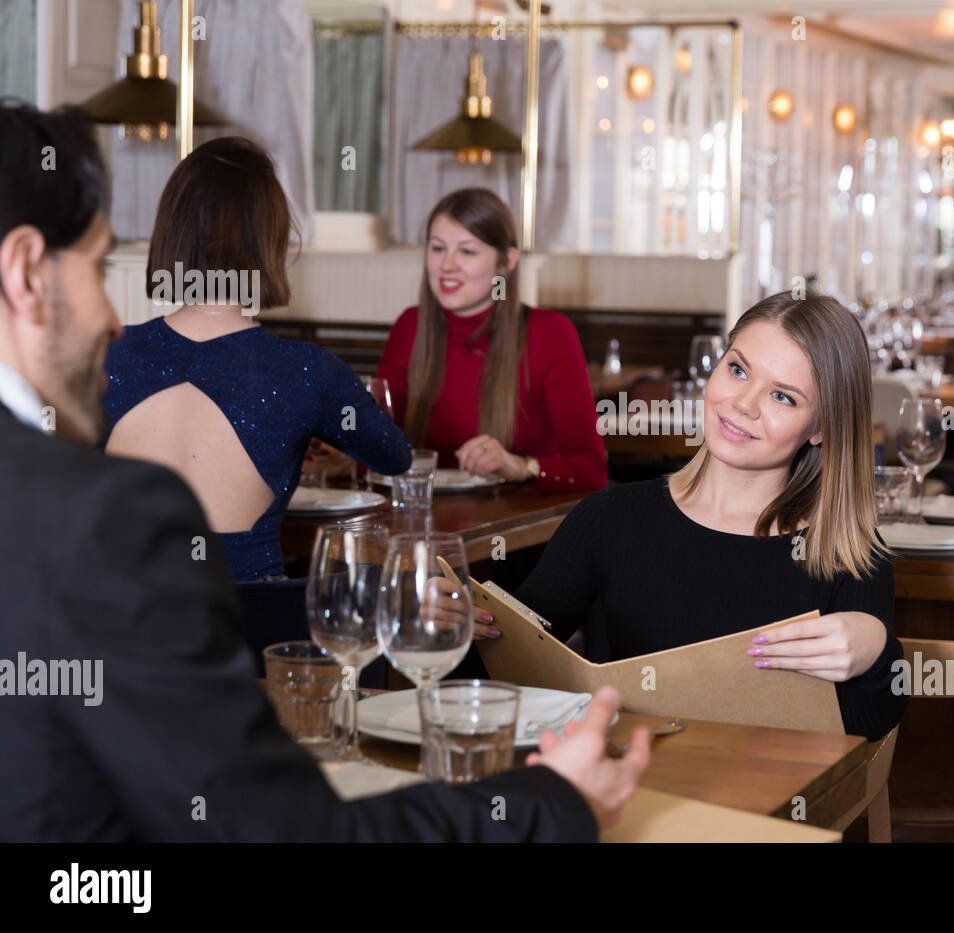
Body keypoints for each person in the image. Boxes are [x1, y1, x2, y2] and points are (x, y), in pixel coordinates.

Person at [0, 101, 648, 841]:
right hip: (276, 634)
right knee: (441, 624)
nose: (113, 319)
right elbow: (281, 829)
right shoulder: (297, 377)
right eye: (94, 265)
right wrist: (550, 804)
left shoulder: (99, 418)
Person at [501, 291, 907, 741]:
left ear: (821, 428)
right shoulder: (608, 518)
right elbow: (512, 662)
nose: (743, 404)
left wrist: (878, 654)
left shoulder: (848, 554)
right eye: (737, 370)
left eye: (782, 397)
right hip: (623, 792)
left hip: (764, 805)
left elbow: (864, 733)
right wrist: (454, 624)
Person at [101, 137, 412, 582]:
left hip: (114, 626)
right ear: (271, 242)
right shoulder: (309, 372)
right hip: (249, 632)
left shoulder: (104, 356)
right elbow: (395, 457)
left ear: (169, 232)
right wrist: (307, 424)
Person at [377, 188, 607, 491]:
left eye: (467, 251)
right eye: (437, 248)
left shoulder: (550, 334)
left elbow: (591, 473)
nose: (447, 265)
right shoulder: (410, 326)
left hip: (517, 529)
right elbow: (376, 442)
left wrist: (521, 466)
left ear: (507, 261)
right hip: (420, 523)